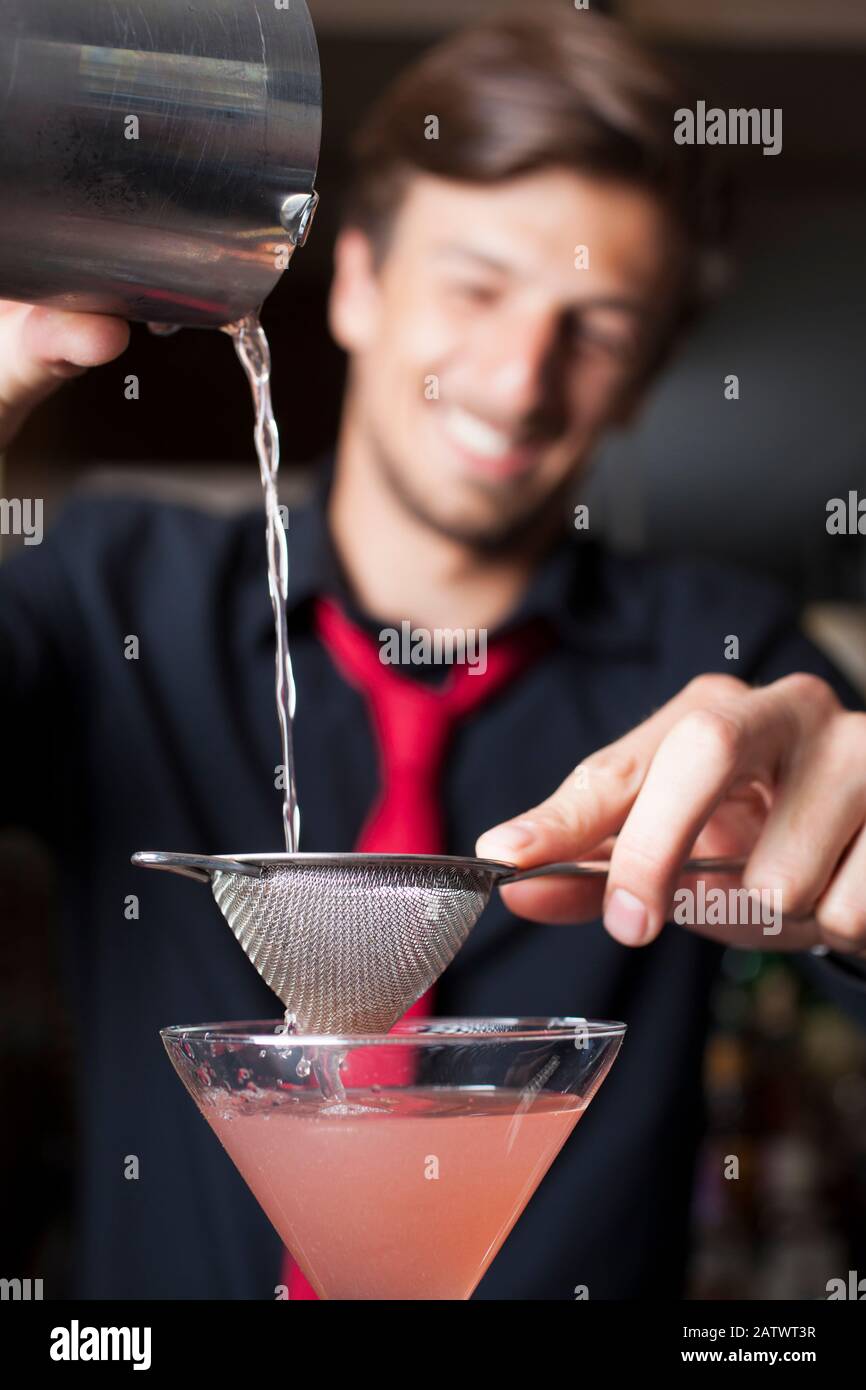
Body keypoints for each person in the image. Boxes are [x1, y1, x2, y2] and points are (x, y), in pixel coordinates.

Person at [1, 11, 864, 1301]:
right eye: (476, 285)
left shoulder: (729, 672)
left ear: (643, 378)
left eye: (600, 325)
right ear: (351, 281)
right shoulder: (113, 593)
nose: (521, 378)